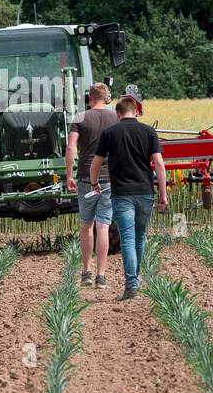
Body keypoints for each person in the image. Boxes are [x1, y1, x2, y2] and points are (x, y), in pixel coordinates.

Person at [89, 94, 167, 300]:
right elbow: (159, 164)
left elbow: (95, 164)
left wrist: (94, 183)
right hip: (145, 192)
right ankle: (134, 280)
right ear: (136, 111)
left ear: (117, 114)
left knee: (128, 239)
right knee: (139, 238)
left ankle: (131, 284)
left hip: (122, 194)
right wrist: (163, 194)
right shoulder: (149, 131)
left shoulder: (110, 132)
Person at [65, 82, 118, 289]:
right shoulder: (115, 117)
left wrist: (69, 175)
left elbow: (71, 148)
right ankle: (101, 276)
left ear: (89, 98)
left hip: (86, 179)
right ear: (106, 98)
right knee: (103, 226)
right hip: (108, 180)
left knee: (87, 225)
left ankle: (86, 272)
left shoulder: (80, 117)